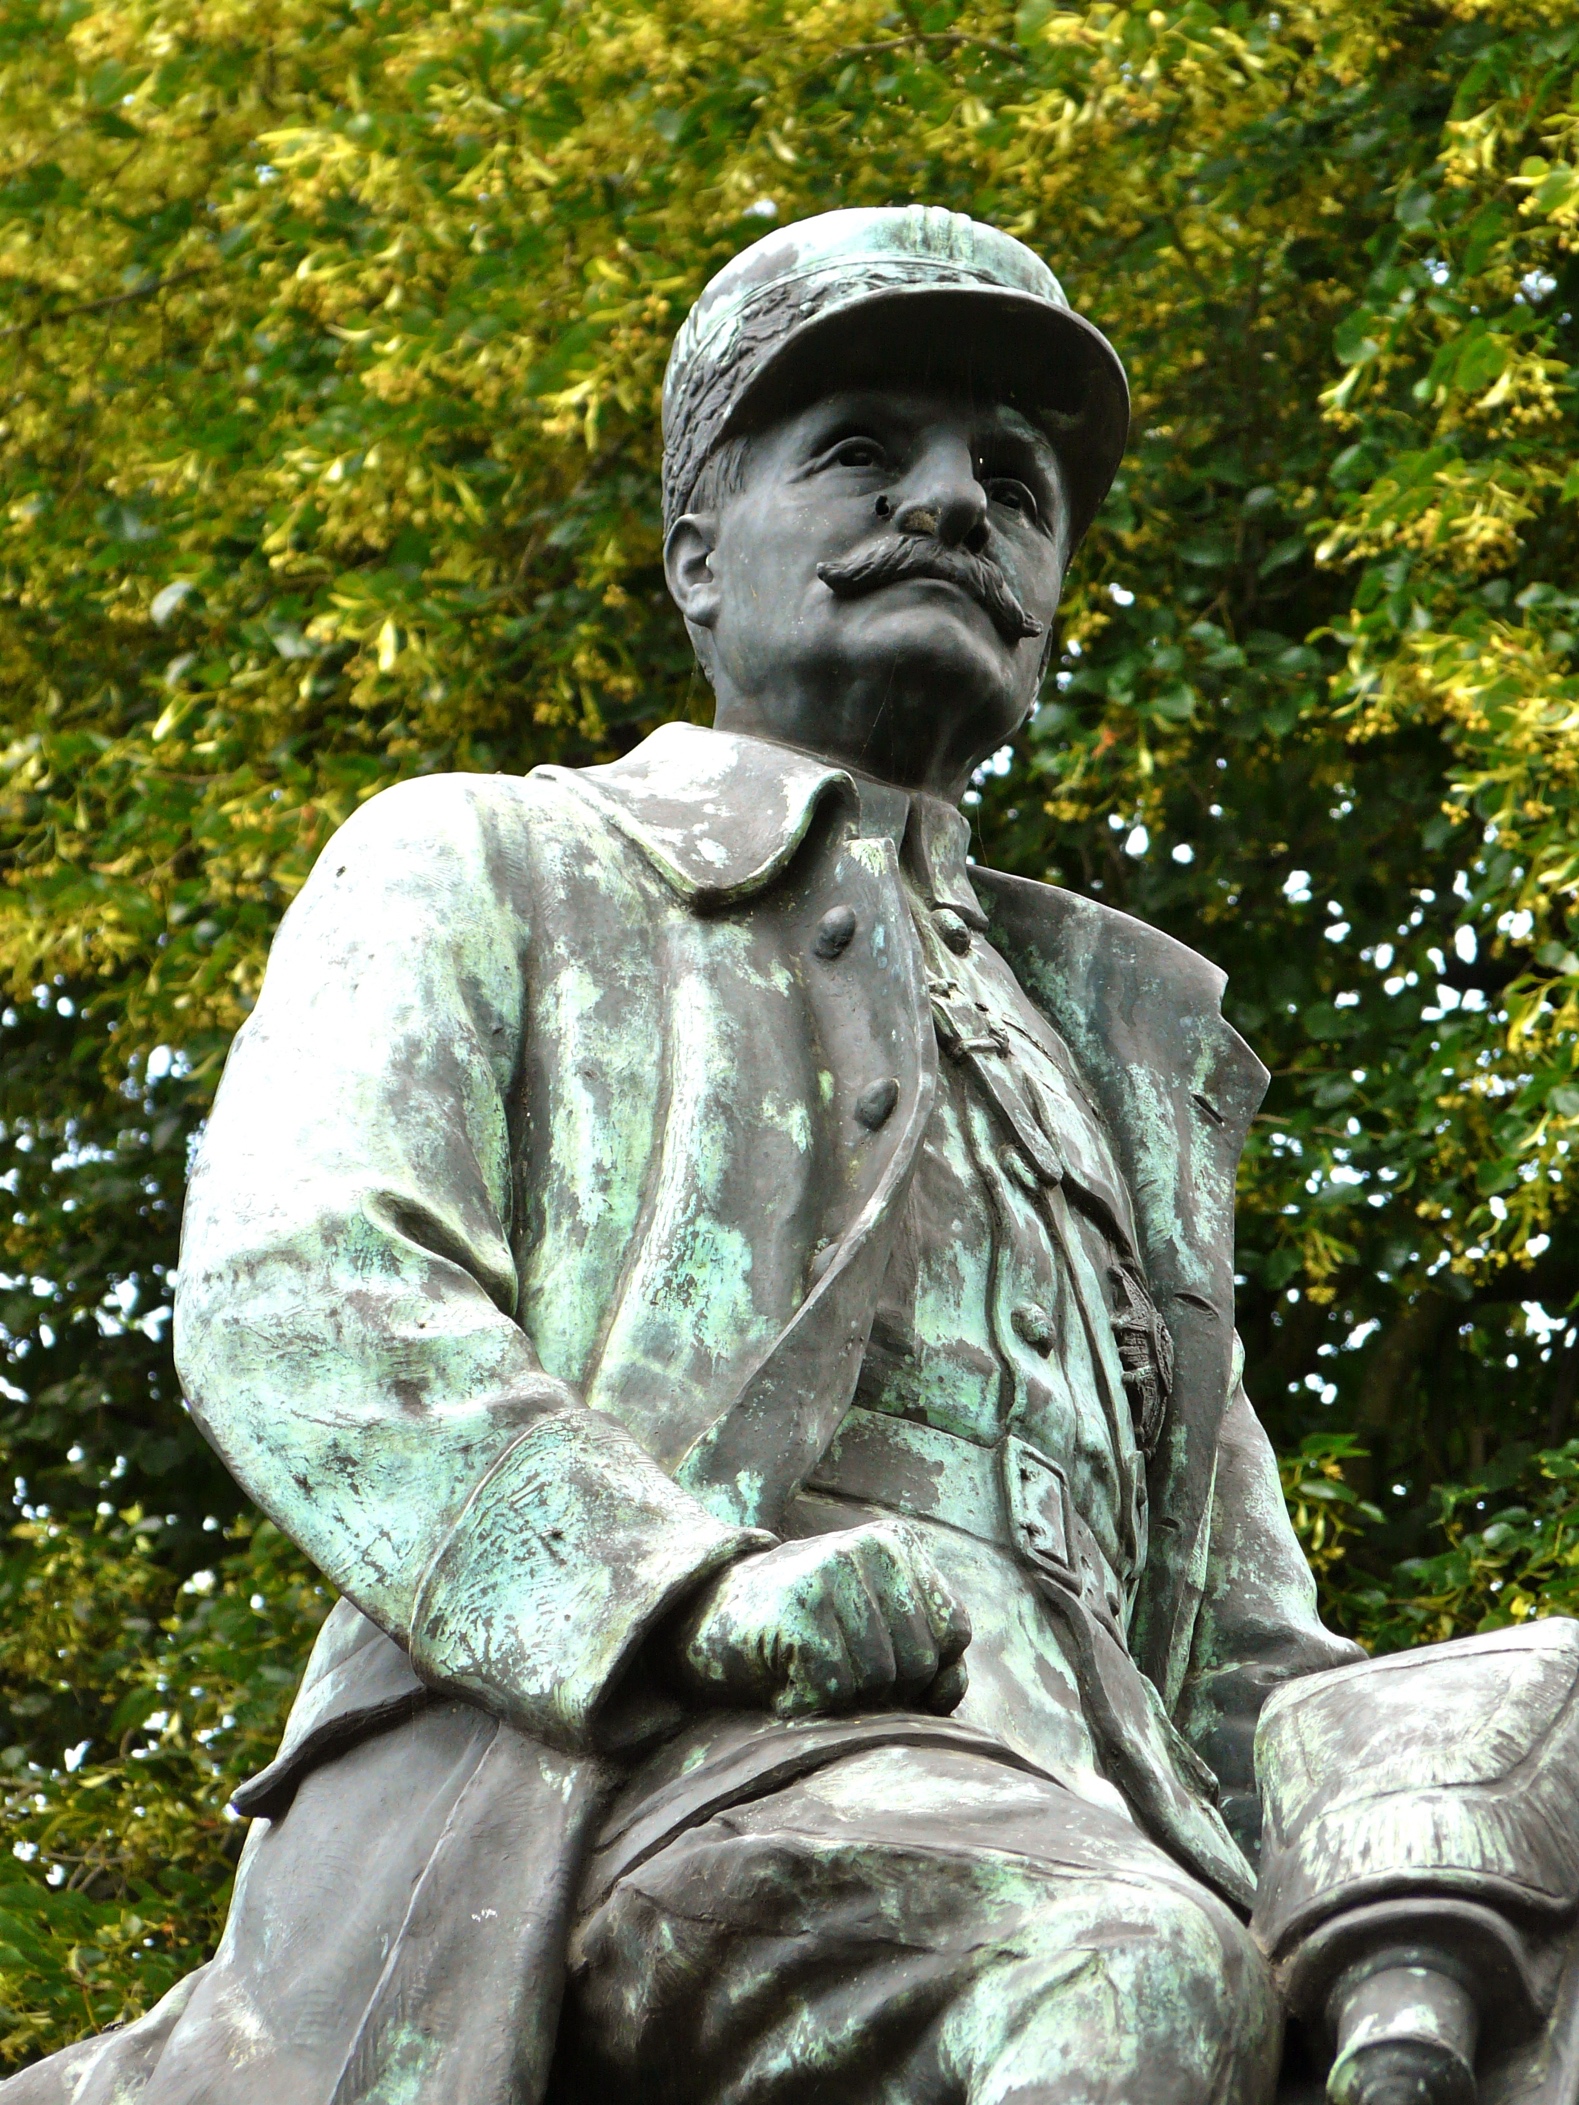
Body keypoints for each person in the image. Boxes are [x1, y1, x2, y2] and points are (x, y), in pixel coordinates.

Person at [4, 206, 1360, 2105]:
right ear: (702, 560)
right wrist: (683, 1588)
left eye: (1018, 483)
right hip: (647, 1779)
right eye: (867, 449)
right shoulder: (499, 860)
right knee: (1123, 1973)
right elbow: (304, 1288)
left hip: (1108, 1824)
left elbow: (1251, 1659)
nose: (959, 505)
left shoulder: (1115, 1070)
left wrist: (1450, 1818)